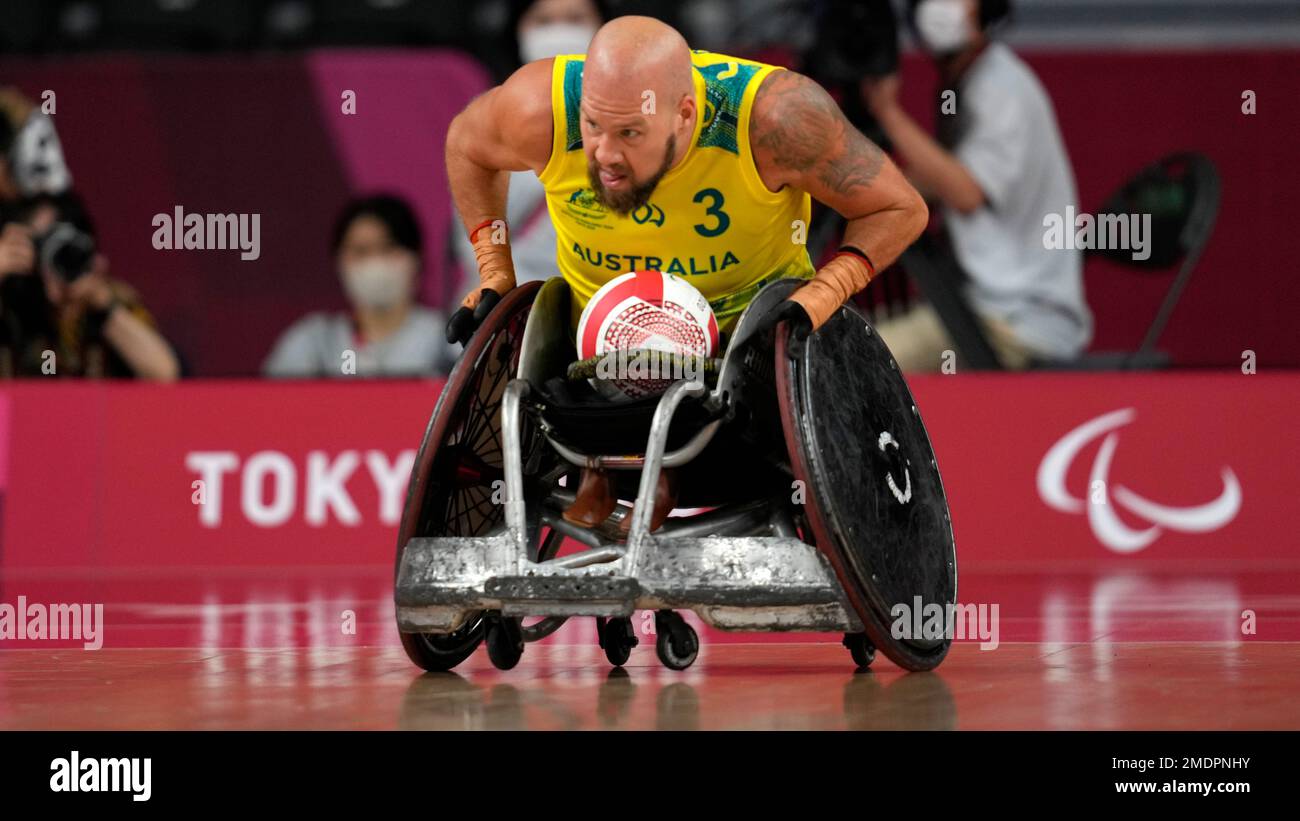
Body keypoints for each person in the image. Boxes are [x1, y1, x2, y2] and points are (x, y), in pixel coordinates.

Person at [442, 16, 927, 534]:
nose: (604, 154)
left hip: (748, 361)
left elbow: (899, 208)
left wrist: (827, 290)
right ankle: (613, 467)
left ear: (685, 115)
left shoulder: (776, 119)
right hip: (596, 360)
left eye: (630, 133)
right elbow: (466, 147)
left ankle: (644, 473)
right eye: (594, 127)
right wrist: (495, 272)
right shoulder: (541, 109)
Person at [861, 0, 1092, 370]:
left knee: (855, 361)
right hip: (977, 307)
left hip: (1014, 319)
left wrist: (887, 113)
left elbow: (965, 192)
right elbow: (943, 179)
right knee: (853, 341)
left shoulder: (1001, 87)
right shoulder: (968, 82)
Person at [450, 0, 608, 295]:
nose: (560, 32)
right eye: (544, 21)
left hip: (605, 309)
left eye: (574, 19)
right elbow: (471, 238)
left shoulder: (637, 119)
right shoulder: (486, 120)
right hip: (514, 309)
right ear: (518, 30)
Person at [264, 194, 457, 378]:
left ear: (416, 257)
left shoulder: (448, 339)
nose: (375, 262)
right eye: (361, 251)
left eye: (387, 248)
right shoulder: (313, 343)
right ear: (338, 261)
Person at [0, 191, 181, 380]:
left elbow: (165, 375)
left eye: (60, 244)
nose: (49, 257)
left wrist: (104, 306)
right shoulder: (10, 302)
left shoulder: (106, 301)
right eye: (40, 245)